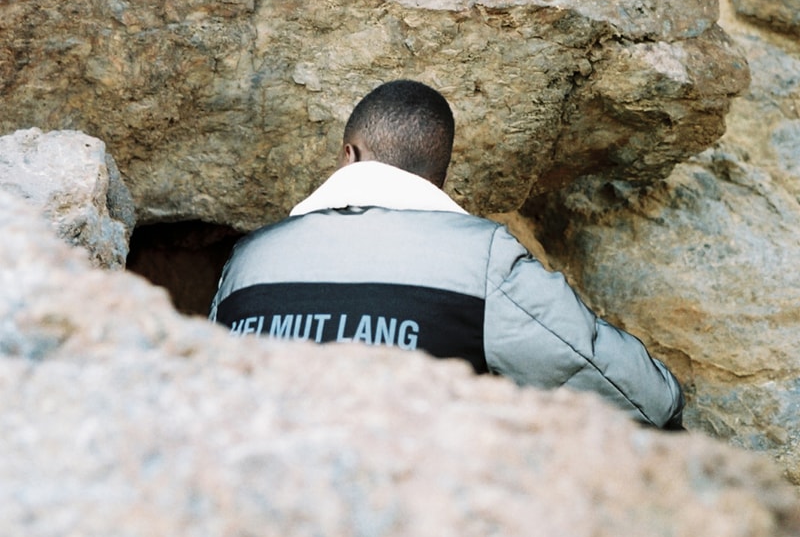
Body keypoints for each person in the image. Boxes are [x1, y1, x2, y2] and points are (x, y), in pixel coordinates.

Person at [210, 79, 684, 429]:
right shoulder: (480, 260)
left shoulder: (249, 260)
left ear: (348, 155)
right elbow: (645, 399)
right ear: (437, 177)